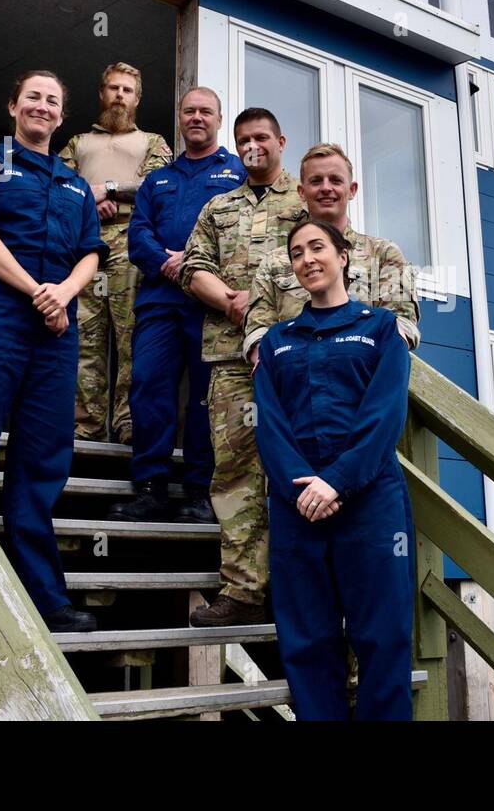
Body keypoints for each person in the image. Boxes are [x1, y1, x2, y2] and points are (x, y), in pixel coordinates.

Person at [0, 71, 107, 633]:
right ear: (13, 106)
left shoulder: (76, 185)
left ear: (61, 118)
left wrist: (62, 292)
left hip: (55, 334)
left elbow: (92, 254)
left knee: (42, 463)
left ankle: (43, 597)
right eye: (32, 96)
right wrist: (35, 289)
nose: (42, 106)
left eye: (53, 101)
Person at [253, 219, 414, 720]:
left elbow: (384, 415)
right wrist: (304, 486)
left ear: (344, 257)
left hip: (370, 503)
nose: (307, 259)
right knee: (307, 642)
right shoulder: (277, 341)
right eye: (297, 253)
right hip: (296, 502)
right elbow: (270, 424)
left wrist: (337, 481)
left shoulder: (379, 329)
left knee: (382, 637)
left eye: (317, 247)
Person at [178, 107, 304, 627]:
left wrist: (265, 304)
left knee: (298, 471)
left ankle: (297, 591)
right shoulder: (217, 206)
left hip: (296, 357)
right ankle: (243, 591)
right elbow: (191, 267)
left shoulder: (306, 201)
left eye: (261, 138)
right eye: (243, 140)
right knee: (235, 474)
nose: (253, 146)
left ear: (280, 140)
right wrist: (232, 301)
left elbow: (324, 264)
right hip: (230, 358)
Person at [112, 87, 245, 523]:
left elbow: (241, 235)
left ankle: (200, 491)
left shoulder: (237, 173)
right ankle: (150, 486)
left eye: (205, 111)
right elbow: (139, 235)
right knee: (150, 386)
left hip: (211, 305)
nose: (196, 117)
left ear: (218, 119)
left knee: (208, 397)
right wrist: (171, 266)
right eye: (189, 111)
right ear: (180, 118)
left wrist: (197, 268)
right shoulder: (158, 179)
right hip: (159, 302)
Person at [58, 62, 173, 444]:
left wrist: (104, 189)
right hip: (85, 243)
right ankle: (85, 425)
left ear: (137, 99)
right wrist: (87, 203)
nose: (119, 96)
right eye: (113, 88)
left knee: (131, 337)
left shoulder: (153, 141)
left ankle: (128, 424)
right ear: (101, 94)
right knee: (85, 338)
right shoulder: (77, 143)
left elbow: (154, 185)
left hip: (130, 244)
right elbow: (57, 186)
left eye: (127, 90)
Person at [244, 142, 420, 361]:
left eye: (335, 180)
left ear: (352, 189)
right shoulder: (275, 262)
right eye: (316, 181)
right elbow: (258, 331)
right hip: (290, 380)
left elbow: (401, 324)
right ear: (301, 192)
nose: (326, 187)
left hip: (361, 381)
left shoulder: (384, 255)